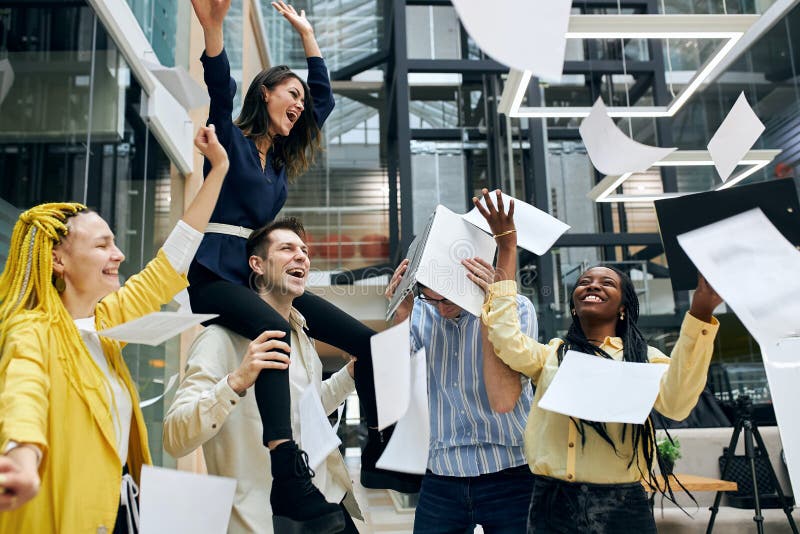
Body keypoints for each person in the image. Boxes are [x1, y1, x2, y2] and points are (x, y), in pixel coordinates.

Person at [187, 1, 414, 527]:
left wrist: (309, 35)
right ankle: (284, 462)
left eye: (302, 99)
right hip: (215, 273)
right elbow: (220, 88)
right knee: (274, 325)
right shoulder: (232, 143)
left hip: (256, 275)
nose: (300, 105)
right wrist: (214, 28)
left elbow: (326, 99)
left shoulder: (281, 164)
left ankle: (382, 455)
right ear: (264, 92)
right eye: (292, 94)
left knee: (368, 343)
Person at [0, 125, 229, 532]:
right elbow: (23, 394)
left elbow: (170, 263)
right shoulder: (31, 331)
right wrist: (22, 456)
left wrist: (219, 170)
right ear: (58, 260)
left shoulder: (105, 323)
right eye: (102, 245)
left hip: (122, 511)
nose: (119, 254)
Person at [468, 189, 723, 533]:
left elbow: (676, 404)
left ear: (622, 306)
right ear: (574, 304)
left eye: (607, 283)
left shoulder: (645, 361)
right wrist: (508, 247)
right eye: (585, 281)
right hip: (551, 501)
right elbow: (506, 339)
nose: (593, 285)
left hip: (622, 506)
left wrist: (701, 313)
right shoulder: (552, 355)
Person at [384, 256, 537, 533]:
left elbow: (509, 393)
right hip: (442, 474)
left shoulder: (516, 309)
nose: (441, 310)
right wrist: (402, 316)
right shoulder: (418, 312)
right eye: (432, 300)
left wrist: (492, 310)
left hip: (511, 471)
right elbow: (393, 387)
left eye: (448, 300)